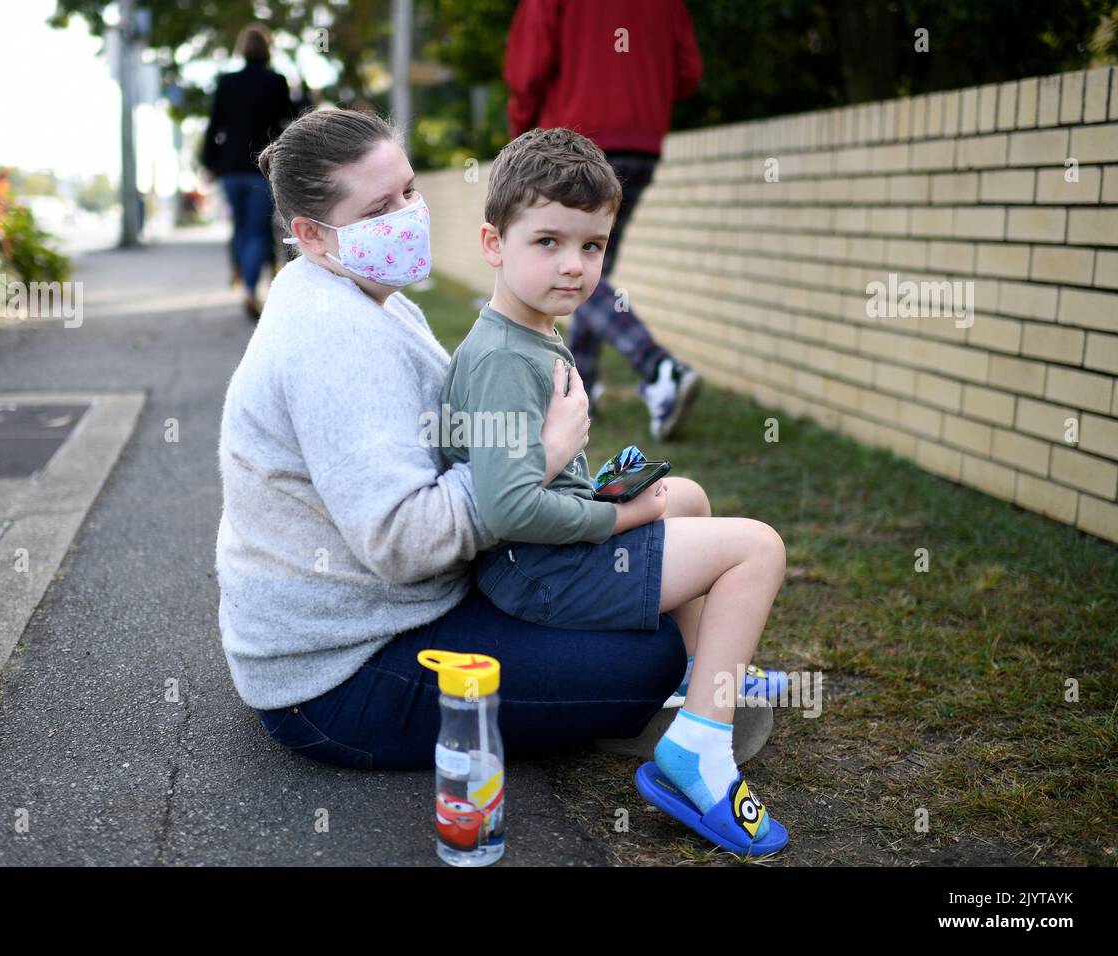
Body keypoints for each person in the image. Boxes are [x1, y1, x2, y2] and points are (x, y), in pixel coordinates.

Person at [215, 108, 786, 854]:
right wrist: (543, 461)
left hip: (381, 618)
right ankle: (691, 726)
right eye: (378, 209)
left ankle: (691, 698)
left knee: (666, 586)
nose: (408, 217)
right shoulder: (331, 340)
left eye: (409, 192)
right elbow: (403, 541)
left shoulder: (358, 297)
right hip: (338, 679)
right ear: (313, 233)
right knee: (652, 652)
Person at [438, 126, 789, 852]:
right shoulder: (507, 358)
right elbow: (505, 509)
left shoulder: (533, 327)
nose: (573, 266)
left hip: (545, 553)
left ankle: (693, 687)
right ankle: (699, 752)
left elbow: (530, 477)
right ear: (493, 243)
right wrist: (619, 516)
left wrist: (610, 497)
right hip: (542, 574)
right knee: (758, 548)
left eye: (591, 246)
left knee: (685, 495)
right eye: (548, 242)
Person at [504, 0, 706, 441]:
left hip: (571, 143)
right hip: (641, 142)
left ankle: (659, 369)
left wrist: (521, 138)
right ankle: (580, 392)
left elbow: (527, 71)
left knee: (569, 270)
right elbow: (688, 72)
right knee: (592, 264)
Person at [200, 23, 298, 319]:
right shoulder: (276, 82)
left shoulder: (226, 82)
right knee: (257, 231)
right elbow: (289, 122)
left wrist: (208, 163)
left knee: (241, 229)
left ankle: (245, 278)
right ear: (267, 49)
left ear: (241, 49)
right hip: (262, 169)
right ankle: (249, 290)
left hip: (230, 170)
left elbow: (214, 126)